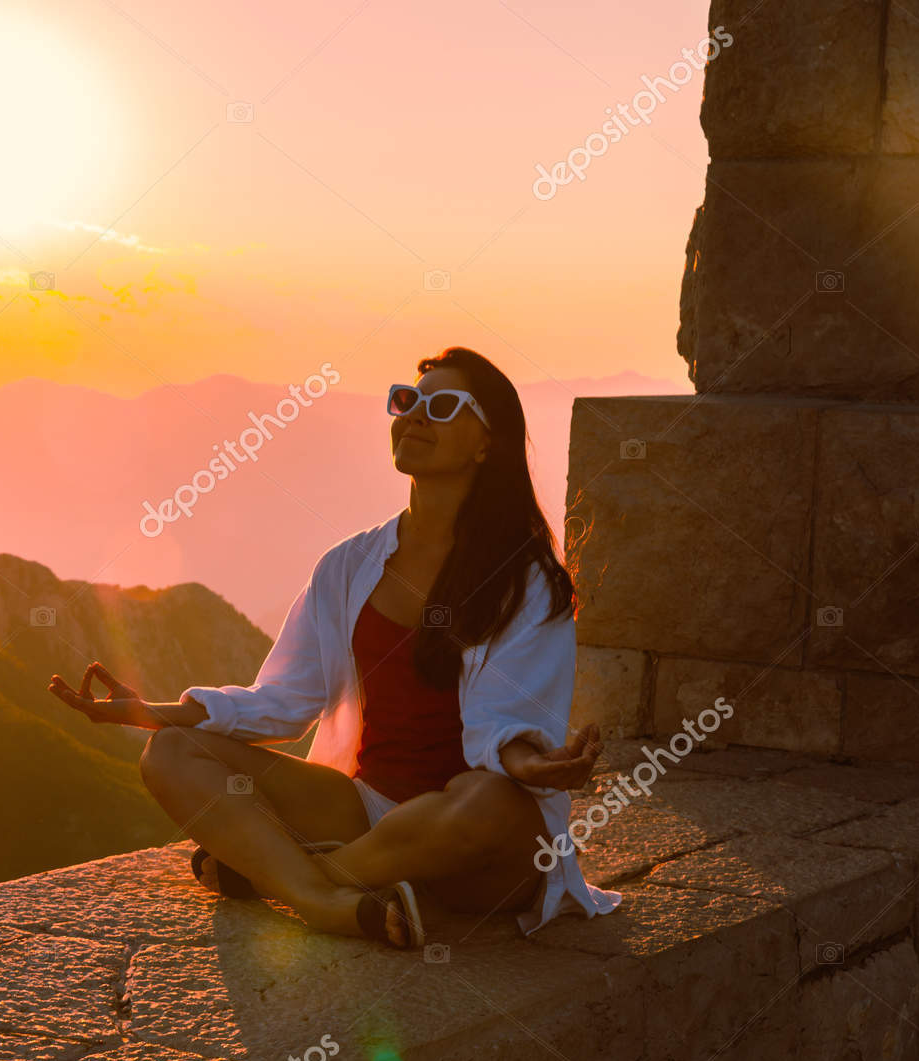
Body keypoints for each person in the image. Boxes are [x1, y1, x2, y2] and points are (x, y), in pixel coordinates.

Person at [48, 347, 620, 948]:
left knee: (487, 802)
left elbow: (509, 728)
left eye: (444, 406)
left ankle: (294, 879)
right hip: (366, 810)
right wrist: (155, 712)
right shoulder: (349, 565)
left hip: (473, 842)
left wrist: (541, 765)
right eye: (407, 400)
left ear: (487, 442)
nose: (416, 416)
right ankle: (325, 901)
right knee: (170, 753)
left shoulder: (527, 582)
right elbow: (283, 701)